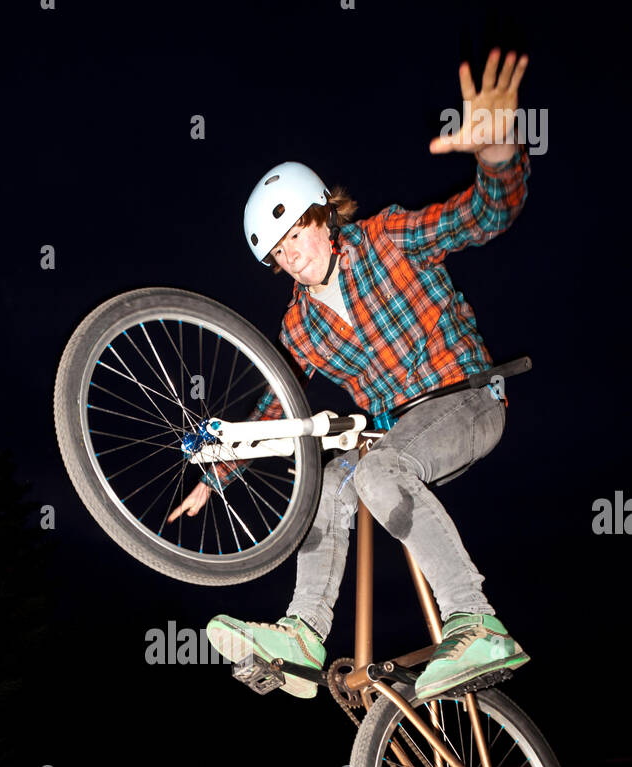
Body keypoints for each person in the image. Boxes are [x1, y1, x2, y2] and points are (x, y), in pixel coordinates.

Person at [168, 49, 532, 700]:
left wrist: (497, 160)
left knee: (373, 468)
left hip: (469, 399)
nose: (292, 258)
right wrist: (215, 469)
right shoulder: (300, 326)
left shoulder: (389, 238)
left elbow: (479, 218)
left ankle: (476, 623)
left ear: (322, 218)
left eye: (297, 238)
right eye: (279, 254)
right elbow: (277, 410)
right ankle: (302, 639)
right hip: (399, 437)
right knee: (325, 483)